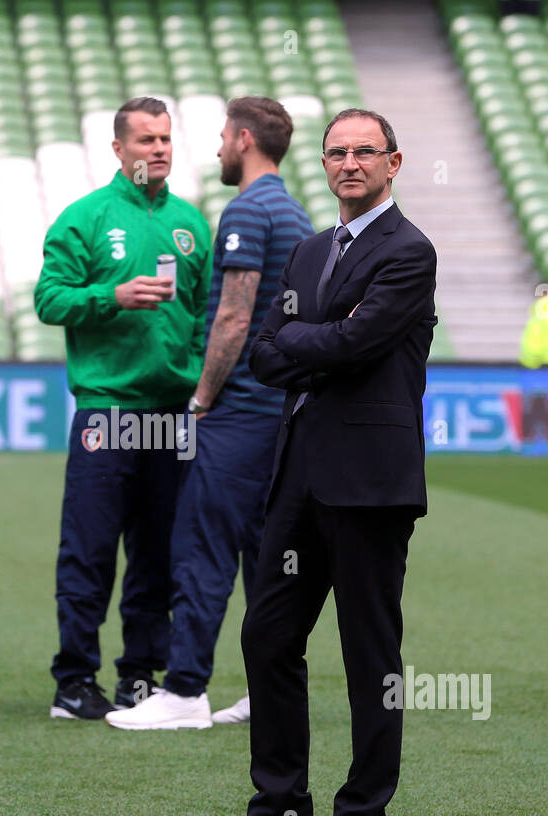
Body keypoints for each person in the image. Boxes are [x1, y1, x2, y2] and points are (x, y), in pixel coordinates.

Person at [193, 109, 437, 816]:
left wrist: (314, 339)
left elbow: (356, 343)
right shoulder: (304, 252)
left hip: (369, 483)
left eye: (366, 152)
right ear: (323, 164)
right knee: (266, 635)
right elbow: (267, 354)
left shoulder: (410, 251)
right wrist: (320, 340)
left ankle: (363, 813)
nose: (350, 163)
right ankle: (280, 808)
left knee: (369, 653)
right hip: (297, 477)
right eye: (337, 152)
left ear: (394, 164)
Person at [104, 97, 313, 731]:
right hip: (282, 411)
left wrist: (200, 400)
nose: (218, 148)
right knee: (265, 555)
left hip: (241, 410)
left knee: (201, 547)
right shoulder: (297, 214)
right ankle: (269, 690)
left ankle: (186, 691)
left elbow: (232, 315)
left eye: (224, 137)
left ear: (245, 139)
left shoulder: (247, 210)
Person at [36, 96, 212, 719]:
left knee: (161, 550)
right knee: (89, 547)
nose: (158, 149)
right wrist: (112, 296)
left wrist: (194, 379)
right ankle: (74, 680)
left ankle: (140, 674)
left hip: (172, 413)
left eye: (165, 139)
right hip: (108, 409)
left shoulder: (192, 223)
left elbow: (203, 318)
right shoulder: (83, 219)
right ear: (118, 149)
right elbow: (49, 300)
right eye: (145, 140)